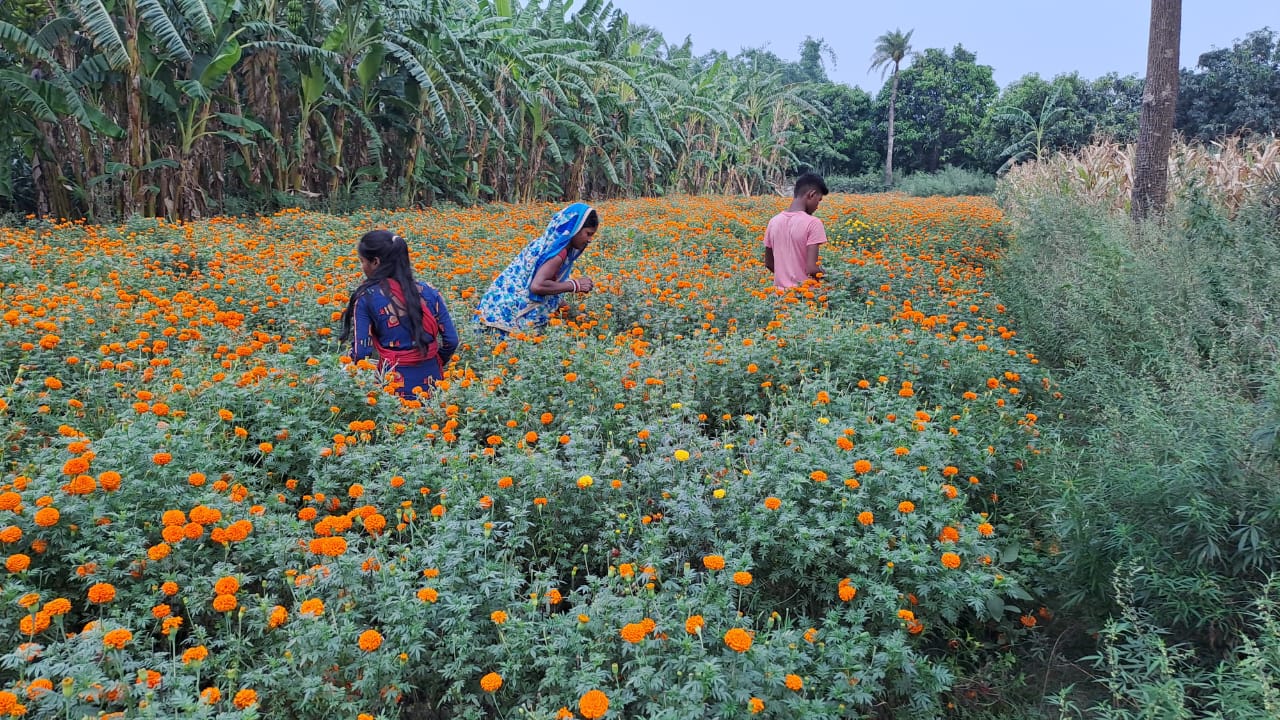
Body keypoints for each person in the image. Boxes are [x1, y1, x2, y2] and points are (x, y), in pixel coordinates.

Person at [339, 230, 458, 398]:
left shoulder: (367, 298)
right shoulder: (430, 292)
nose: (362, 267)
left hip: (393, 384)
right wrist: (433, 359)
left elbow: (361, 352)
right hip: (433, 381)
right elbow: (452, 341)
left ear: (375, 262)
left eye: (362, 261)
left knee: (394, 423)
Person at [476, 203, 599, 333]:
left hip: (494, 307)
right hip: (505, 314)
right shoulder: (558, 254)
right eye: (588, 233)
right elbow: (538, 286)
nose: (590, 239)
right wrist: (575, 285)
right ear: (575, 228)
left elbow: (546, 288)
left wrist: (571, 312)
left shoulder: (547, 244)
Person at [763, 173, 829, 289]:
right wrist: (832, 277)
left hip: (780, 296)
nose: (817, 206)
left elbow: (768, 263)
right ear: (811, 195)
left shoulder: (773, 221)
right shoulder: (813, 223)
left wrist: (785, 278)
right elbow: (811, 268)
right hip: (805, 297)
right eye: (819, 200)